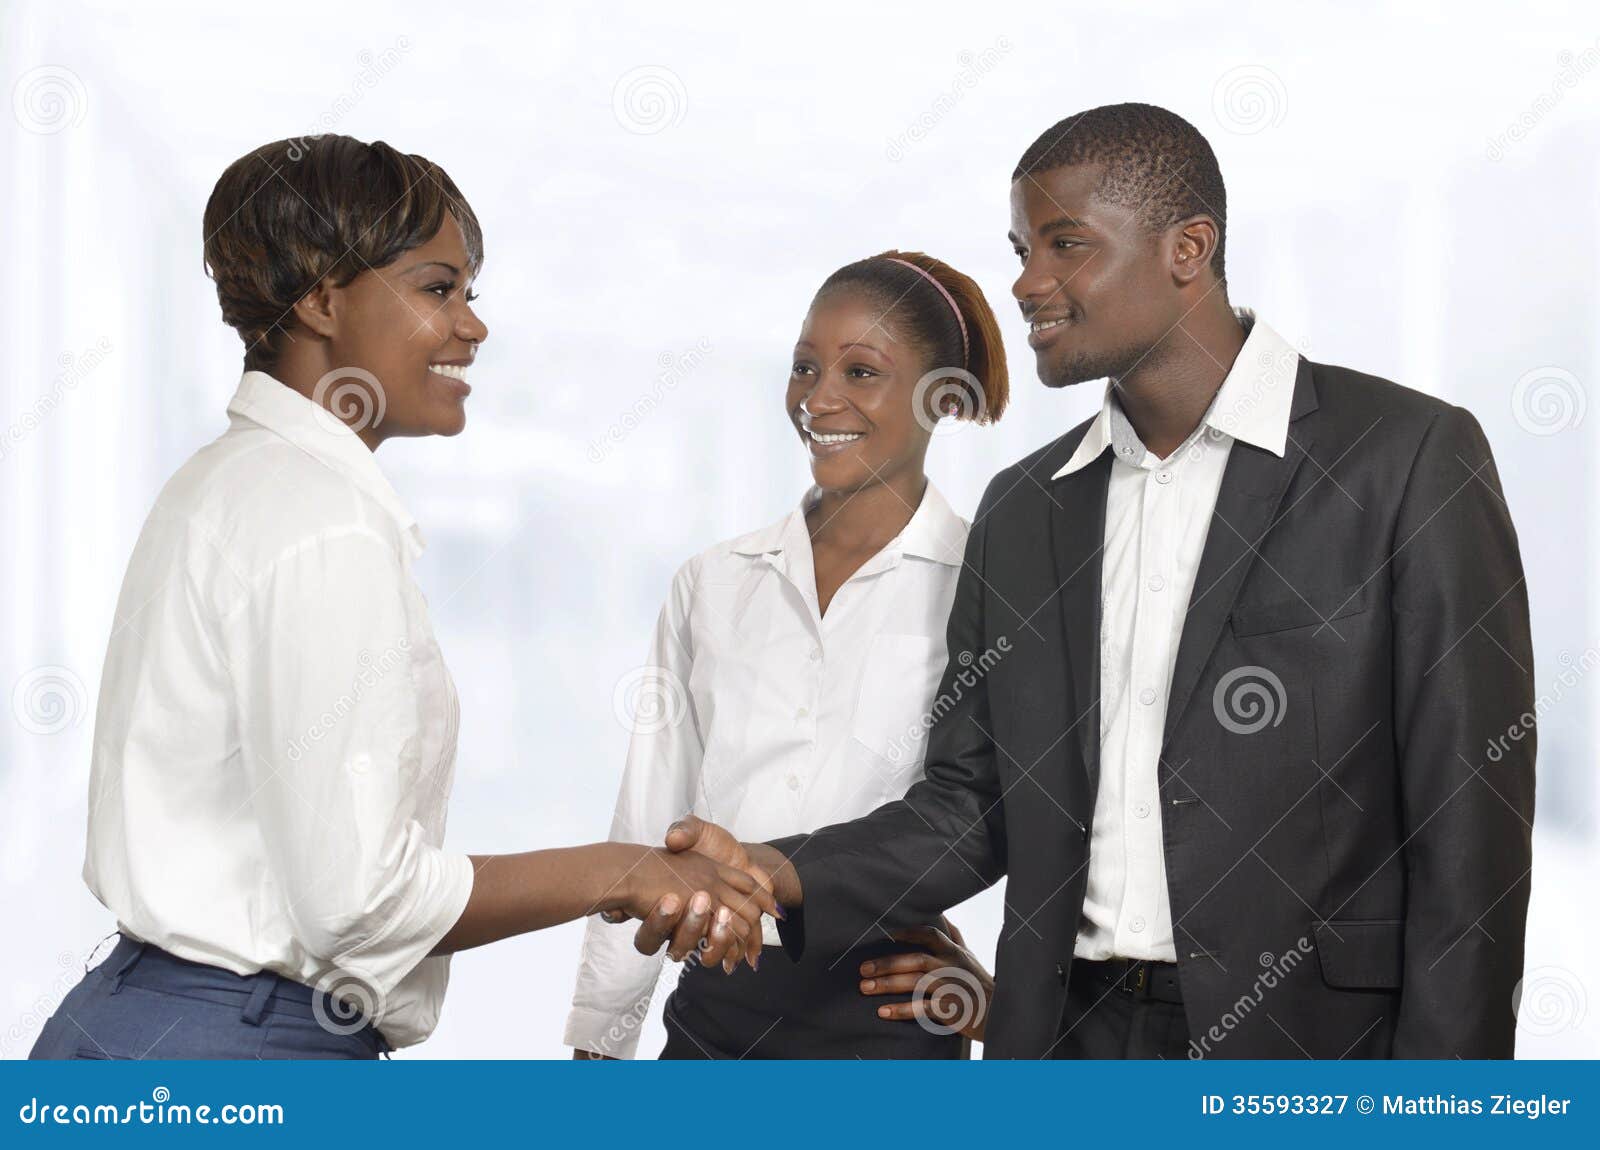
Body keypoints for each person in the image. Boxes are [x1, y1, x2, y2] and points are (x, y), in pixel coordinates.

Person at [637, 103, 1536, 1059]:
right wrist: (777, 869)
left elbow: (1468, 830)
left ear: (1188, 247)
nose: (1027, 281)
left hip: (1313, 1044)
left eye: (1065, 244)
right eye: (1021, 247)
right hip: (1068, 1042)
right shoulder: (1026, 510)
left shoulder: (1404, 458)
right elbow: (968, 804)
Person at [30, 136, 769, 1061]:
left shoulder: (233, 478)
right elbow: (358, 899)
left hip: (138, 1023)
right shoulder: (320, 519)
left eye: (470, 293)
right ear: (323, 298)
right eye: (436, 289)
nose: (472, 326)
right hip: (236, 1047)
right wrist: (625, 869)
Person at [568, 252, 1008, 1059]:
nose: (818, 397)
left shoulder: (984, 586)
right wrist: (601, 1042)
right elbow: (645, 818)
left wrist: (1009, 1004)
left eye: (861, 370)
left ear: (943, 398)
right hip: (714, 1014)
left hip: (889, 1023)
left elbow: (993, 814)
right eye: (804, 366)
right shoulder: (713, 583)